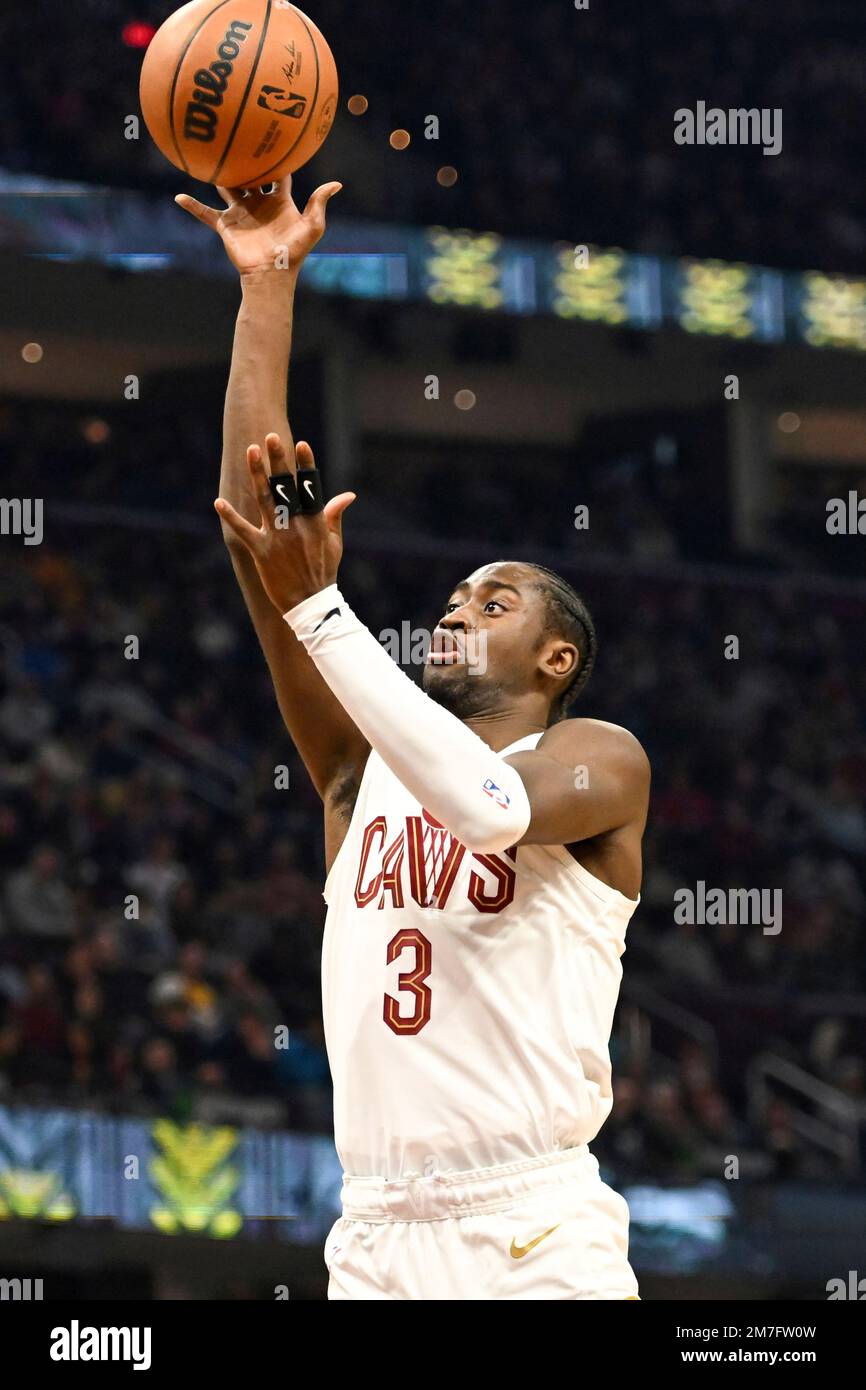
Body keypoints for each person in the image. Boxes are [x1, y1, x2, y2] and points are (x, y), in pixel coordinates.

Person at [177, 177, 650, 1300]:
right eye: (450, 597)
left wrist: (323, 612)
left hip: (533, 1227)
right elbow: (259, 531)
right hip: (378, 1236)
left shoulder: (603, 762)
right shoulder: (355, 770)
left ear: (555, 660)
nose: (454, 612)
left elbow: (485, 809)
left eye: (493, 604)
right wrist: (267, 286)